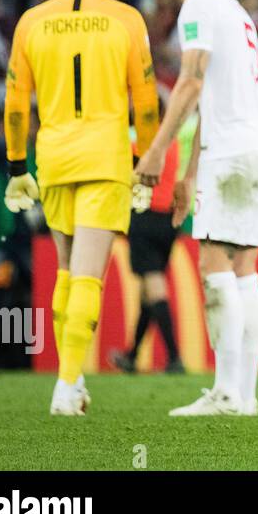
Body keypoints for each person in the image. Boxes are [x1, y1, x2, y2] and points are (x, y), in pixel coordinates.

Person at [3, 0, 159, 415]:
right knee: (89, 277)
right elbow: (147, 103)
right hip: (105, 158)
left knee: (68, 273)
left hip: (52, 158)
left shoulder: (31, 21)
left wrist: (14, 167)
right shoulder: (127, 19)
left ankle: (71, 379)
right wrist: (145, 164)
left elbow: (14, 103)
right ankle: (66, 386)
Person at [135, 0, 258, 417]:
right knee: (244, 272)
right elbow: (215, 96)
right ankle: (244, 395)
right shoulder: (233, 8)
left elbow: (192, 83)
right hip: (257, 144)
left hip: (234, 153)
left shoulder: (196, 7)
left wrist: (155, 152)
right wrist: (190, 172)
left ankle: (224, 393)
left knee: (213, 266)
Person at [110, 104, 184, 375]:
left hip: (144, 216)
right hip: (167, 219)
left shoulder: (135, 143)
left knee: (154, 285)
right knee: (147, 293)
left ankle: (175, 357)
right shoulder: (172, 143)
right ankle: (132, 354)